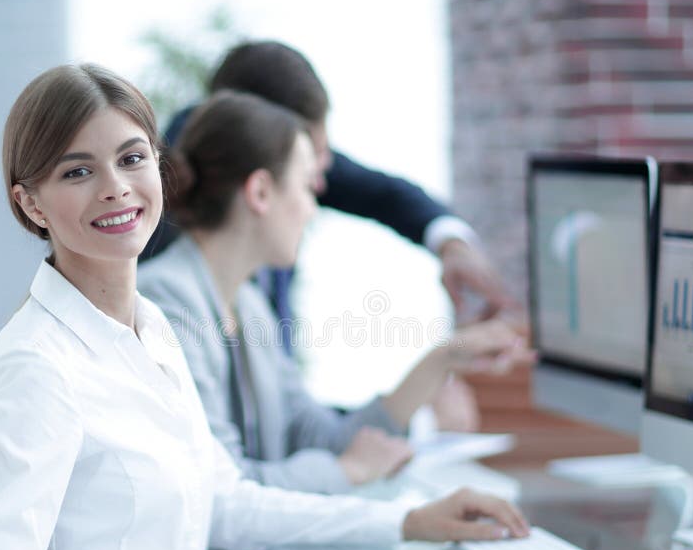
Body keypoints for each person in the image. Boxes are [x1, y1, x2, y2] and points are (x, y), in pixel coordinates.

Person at [0, 64, 529, 550]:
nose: (116, 187)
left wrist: (407, 522)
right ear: (32, 204)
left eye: (131, 158)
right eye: (77, 171)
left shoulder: (150, 329)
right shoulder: (37, 367)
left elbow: (225, 501)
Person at [139, 90, 530, 495]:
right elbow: (221, 491)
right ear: (259, 193)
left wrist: (443, 360)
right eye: (308, 187)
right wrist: (348, 473)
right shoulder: (168, 302)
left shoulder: (249, 304)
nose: (312, 209)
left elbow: (323, 440)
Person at [146, 40, 508, 430]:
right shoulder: (170, 299)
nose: (323, 183)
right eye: (309, 169)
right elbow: (227, 477)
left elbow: (294, 430)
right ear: (260, 180)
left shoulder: (248, 304)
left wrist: (451, 252)